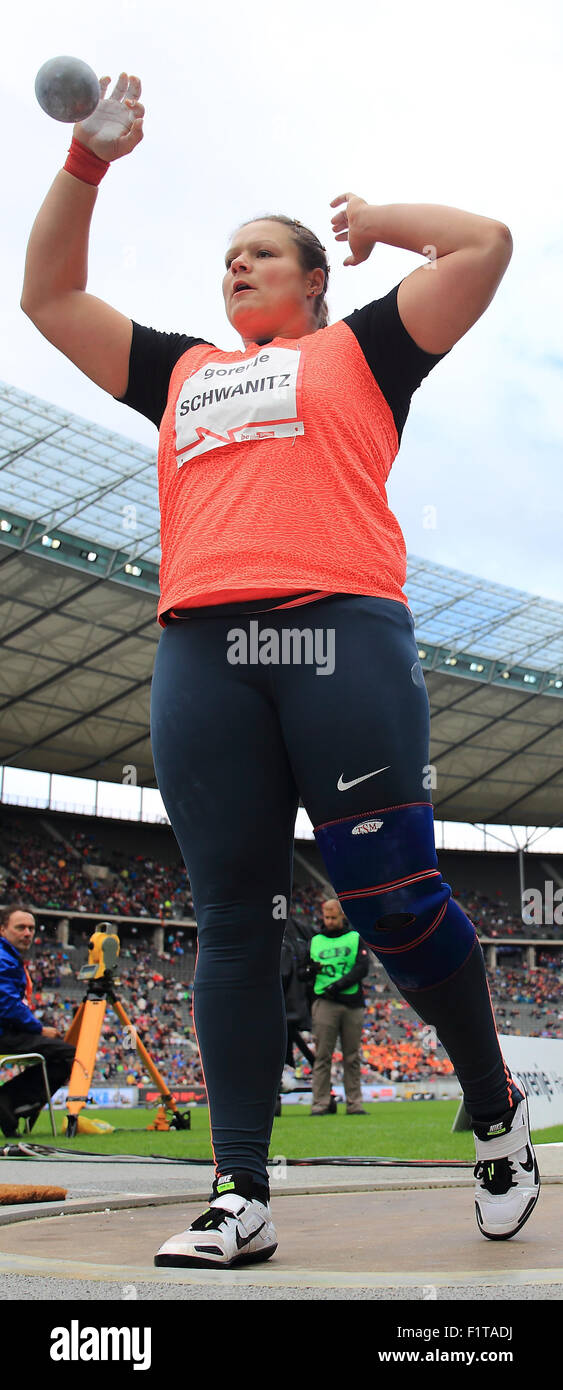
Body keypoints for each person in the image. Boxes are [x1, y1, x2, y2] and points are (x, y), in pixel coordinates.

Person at [20, 72, 540, 1267]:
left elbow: (486, 243)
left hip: (333, 635)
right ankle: (239, 1191)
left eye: (263, 254)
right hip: (203, 651)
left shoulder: (363, 349)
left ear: (315, 279)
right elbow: (47, 295)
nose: (236, 268)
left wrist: (378, 224)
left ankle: (493, 1108)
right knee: (235, 923)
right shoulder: (181, 370)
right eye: (226, 257)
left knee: (396, 903)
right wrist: (88, 161)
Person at [0, 905, 75, 1136]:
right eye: (20, 927)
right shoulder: (4, 958)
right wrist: (39, 1029)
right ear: (3, 929)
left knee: (60, 1050)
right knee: (67, 1054)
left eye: (31, 928)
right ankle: (6, 1102)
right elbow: (7, 1004)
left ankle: (7, 1105)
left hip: (9, 1030)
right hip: (4, 1033)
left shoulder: (10, 957)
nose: (27, 933)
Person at [304, 898, 370, 1115]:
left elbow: (362, 968)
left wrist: (338, 985)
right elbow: (301, 972)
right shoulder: (315, 941)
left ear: (342, 916)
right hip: (325, 1003)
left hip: (351, 1003)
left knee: (352, 1056)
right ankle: (320, 1103)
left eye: (334, 917)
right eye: (327, 917)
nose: (330, 921)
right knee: (322, 1056)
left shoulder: (354, 938)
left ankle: (355, 1104)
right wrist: (310, 970)